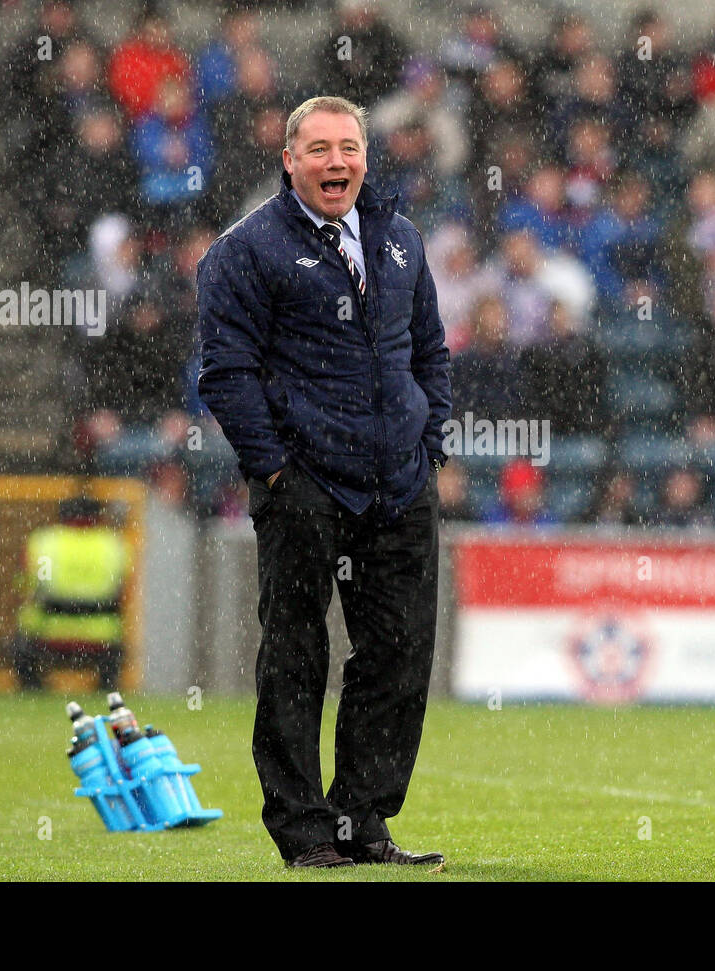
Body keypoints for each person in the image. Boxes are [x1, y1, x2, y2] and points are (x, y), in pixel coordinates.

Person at [196, 95, 451, 869]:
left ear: (366, 156)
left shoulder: (401, 239)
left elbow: (431, 351)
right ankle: (304, 831)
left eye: (349, 147)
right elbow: (225, 372)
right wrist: (275, 467)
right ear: (289, 160)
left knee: (399, 656)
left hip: (399, 485)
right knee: (294, 655)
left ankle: (363, 822)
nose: (336, 161)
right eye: (319, 150)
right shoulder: (246, 250)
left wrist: (429, 440)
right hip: (305, 485)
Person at [13, 497, 129, 691]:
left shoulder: (44, 542)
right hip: (101, 635)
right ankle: (106, 691)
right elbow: (125, 593)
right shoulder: (114, 544)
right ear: (98, 516)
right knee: (115, 648)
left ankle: (32, 690)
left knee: (22, 637)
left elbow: (24, 588)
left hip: (48, 630)